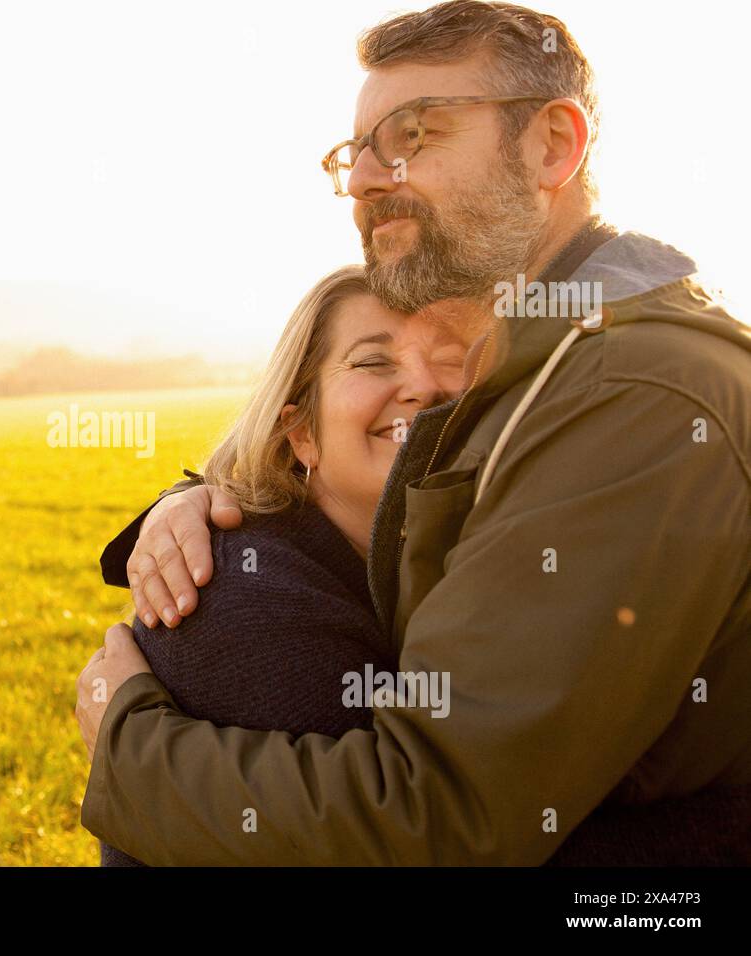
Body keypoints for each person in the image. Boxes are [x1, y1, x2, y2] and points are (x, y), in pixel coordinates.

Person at [75, 0, 751, 865]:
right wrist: (210, 497)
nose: (362, 178)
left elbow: (444, 820)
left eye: (413, 135)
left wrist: (134, 756)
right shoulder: (535, 376)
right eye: (352, 153)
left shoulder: (629, 394)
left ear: (552, 146)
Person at [98, 266, 471, 865]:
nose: (423, 386)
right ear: (301, 434)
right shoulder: (252, 599)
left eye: (448, 358)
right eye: (375, 362)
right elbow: (398, 842)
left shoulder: (419, 565)